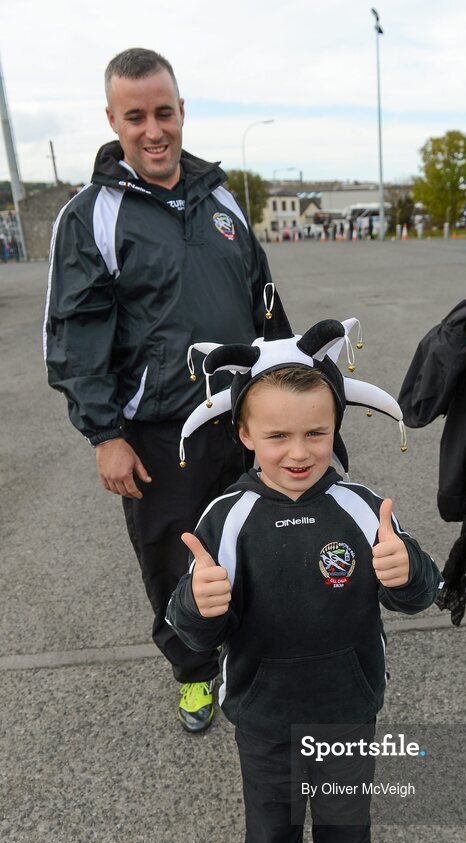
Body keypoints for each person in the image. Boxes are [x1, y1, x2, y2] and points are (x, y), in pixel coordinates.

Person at [167, 290, 442, 843]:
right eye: (277, 435)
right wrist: (198, 605)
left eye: (315, 433)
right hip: (263, 713)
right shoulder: (225, 517)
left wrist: (406, 570)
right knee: (271, 824)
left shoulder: (361, 507)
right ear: (243, 434)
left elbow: (420, 594)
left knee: (346, 819)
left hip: (347, 704)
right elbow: (192, 634)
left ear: (336, 427)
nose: (298, 452)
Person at [44, 48, 271, 732]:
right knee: (176, 561)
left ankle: (250, 653)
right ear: (112, 120)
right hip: (160, 433)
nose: (153, 130)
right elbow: (75, 332)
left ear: (181, 111)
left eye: (163, 113)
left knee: (254, 545)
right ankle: (194, 674)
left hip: (243, 419)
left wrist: (294, 393)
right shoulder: (91, 215)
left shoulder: (223, 199)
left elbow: (263, 302)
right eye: (135, 116)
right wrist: (105, 435)